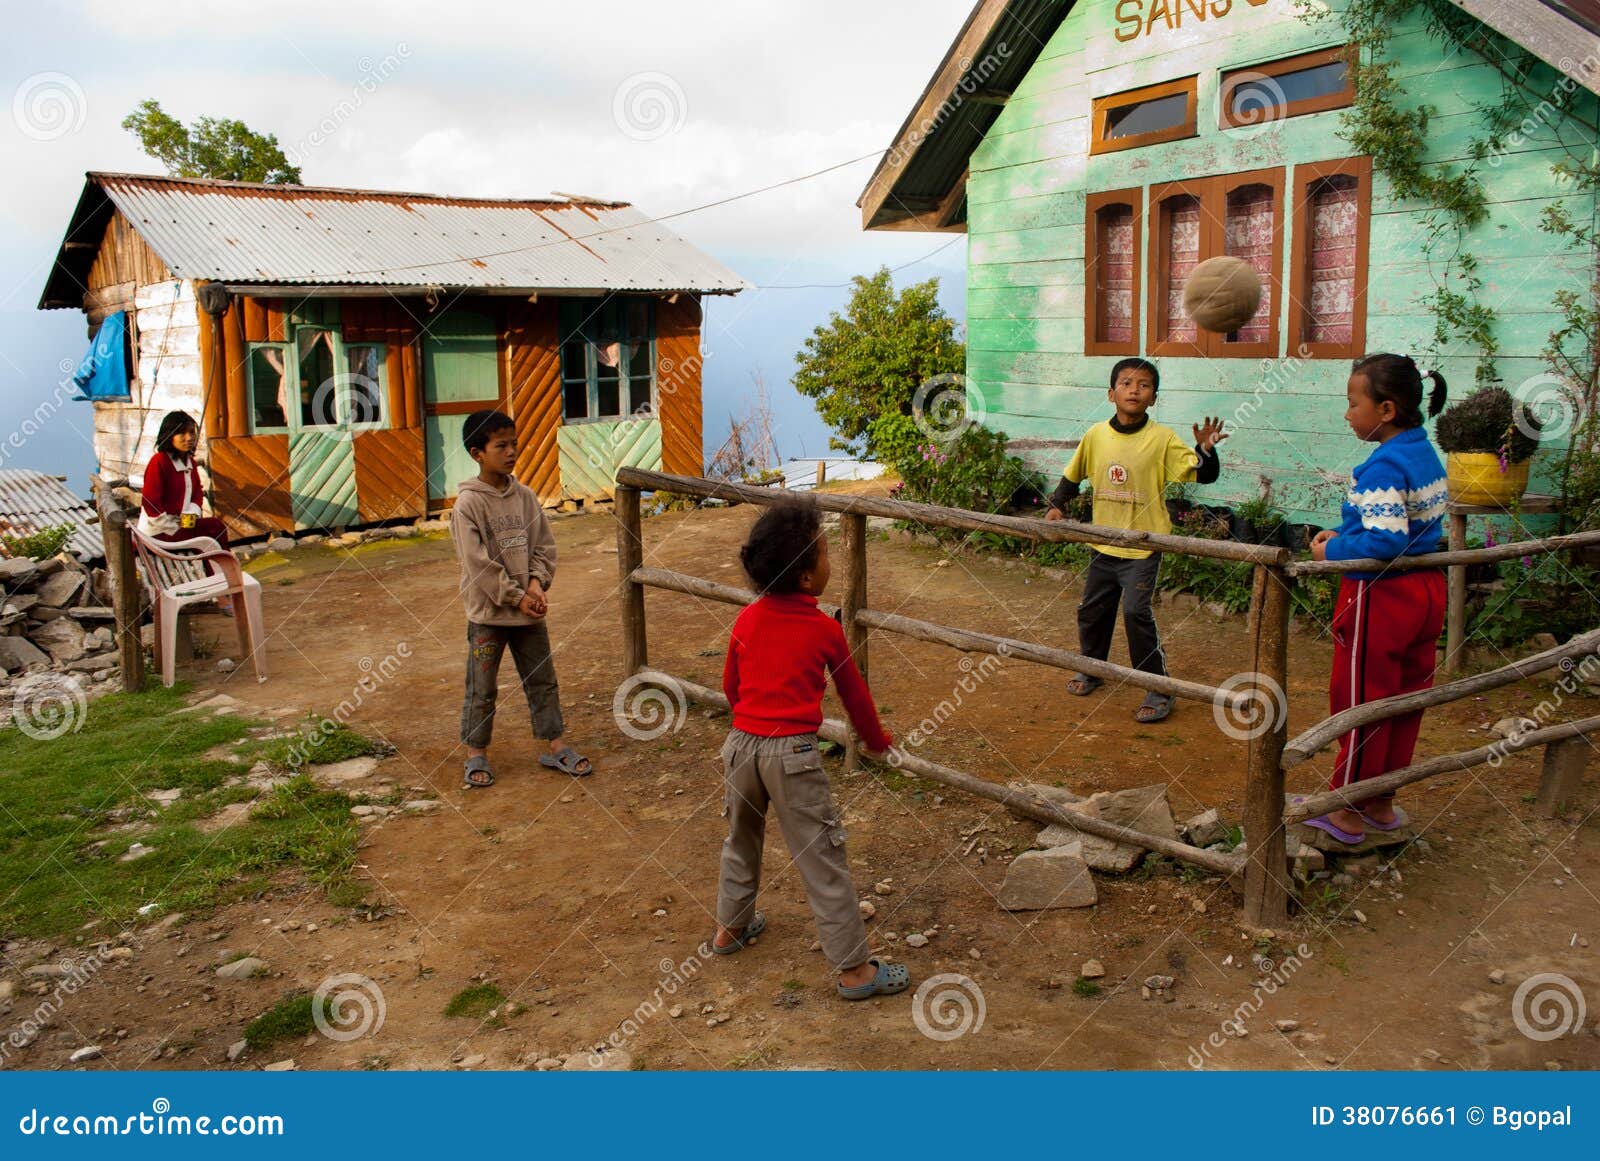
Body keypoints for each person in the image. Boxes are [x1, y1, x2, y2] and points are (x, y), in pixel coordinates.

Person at [715, 501, 908, 1001]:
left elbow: (731, 688)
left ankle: (730, 929)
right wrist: (876, 741)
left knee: (740, 839)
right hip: (792, 755)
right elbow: (855, 695)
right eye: (824, 555)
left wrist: (749, 728)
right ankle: (854, 972)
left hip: (740, 747)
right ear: (805, 577)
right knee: (822, 858)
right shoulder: (824, 629)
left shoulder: (747, 621)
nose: (830, 564)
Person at [1305, 355, 1449, 844]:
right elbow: (1403, 527)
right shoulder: (1422, 452)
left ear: (1386, 408)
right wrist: (1346, 531)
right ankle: (1383, 802)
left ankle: (1345, 808)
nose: (1347, 414)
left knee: (1362, 699)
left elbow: (1385, 542)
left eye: (1353, 404)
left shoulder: (1382, 466)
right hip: (1425, 589)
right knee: (1406, 698)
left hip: (1381, 596)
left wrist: (1332, 551)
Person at [1045, 358, 1228, 722]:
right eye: (1126, 383)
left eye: (1143, 385)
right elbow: (1072, 475)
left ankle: (1159, 687)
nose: (1134, 389)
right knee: (1092, 611)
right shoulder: (1096, 435)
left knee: (1135, 613)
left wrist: (1206, 450)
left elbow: (1203, 475)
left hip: (1143, 548)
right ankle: (1093, 668)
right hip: (1102, 543)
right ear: (1111, 393)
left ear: (1154, 398)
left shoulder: (1161, 440)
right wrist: (1056, 507)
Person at [451, 409, 591, 788]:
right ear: (477, 453)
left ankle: (556, 745)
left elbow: (544, 547)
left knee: (542, 680)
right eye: (501, 446)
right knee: (482, 687)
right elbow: (477, 563)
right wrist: (514, 596)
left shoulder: (526, 498)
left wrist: (535, 584)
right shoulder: (468, 505)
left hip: (528, 611)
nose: (511, 452)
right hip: (488, 616)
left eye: (514, 444)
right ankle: (476, 753)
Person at [139, 411, 228, 550]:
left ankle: (219, 569)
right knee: (207, 539)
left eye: (192, 432)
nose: (189, 438)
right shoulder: (159, 461)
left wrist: (189, 519)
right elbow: (150, 503)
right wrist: (174, 528)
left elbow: (197, 493)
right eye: (182, 434)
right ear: (170, 436)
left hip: (180, 526)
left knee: (216, 527)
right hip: (158, 532)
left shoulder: (189, 462)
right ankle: (217, 570)